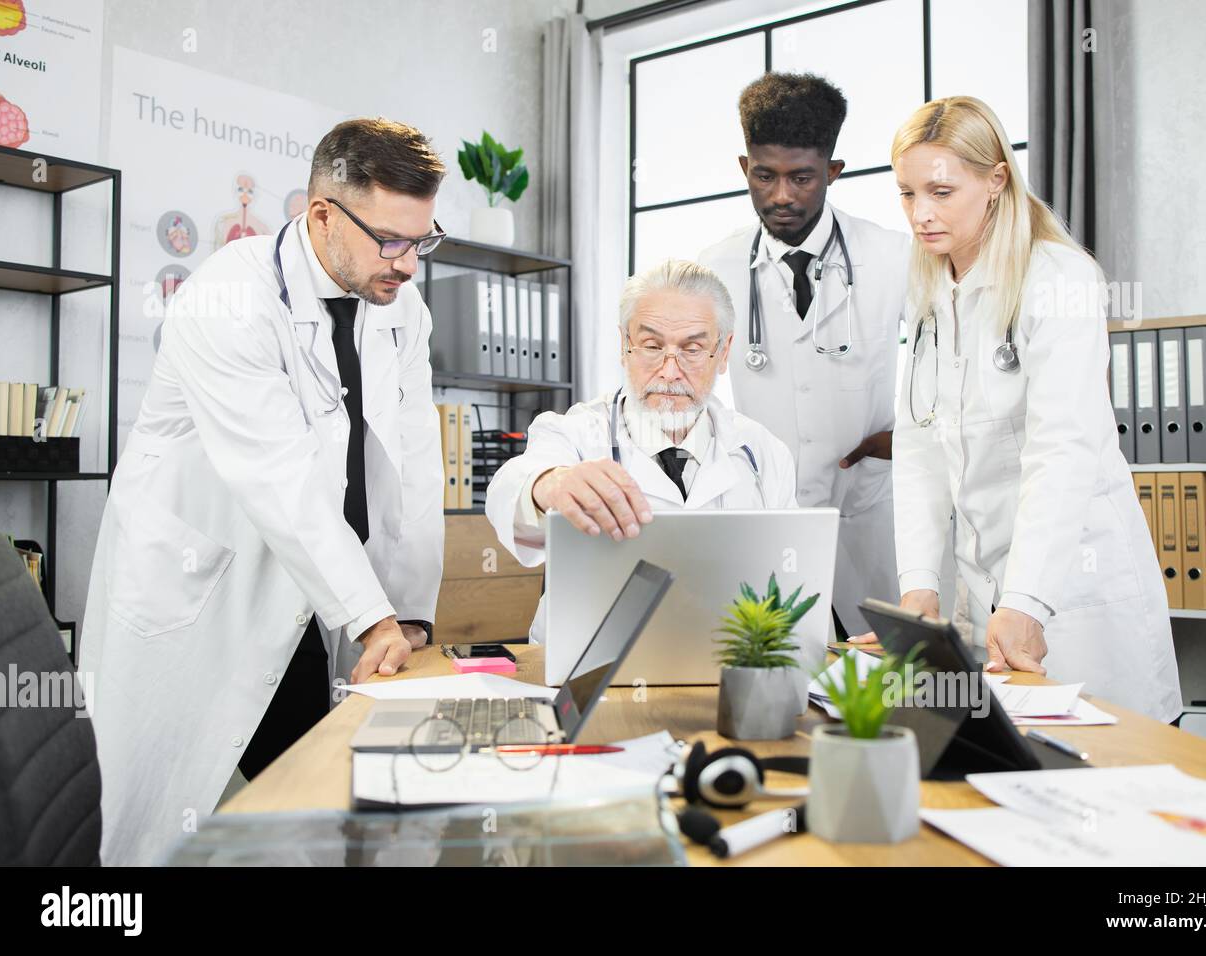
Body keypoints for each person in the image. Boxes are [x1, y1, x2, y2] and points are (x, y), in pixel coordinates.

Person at [80, 118, 449, 864]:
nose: (408, 265)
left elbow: (411, 464)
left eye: (422, 241)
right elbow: (280, 482)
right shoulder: (228, 299)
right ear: (320, 215)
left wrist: (405, 611)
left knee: (319, 794)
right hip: (197, 585)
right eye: (390, 240)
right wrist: (371, 617)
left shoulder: (401, 309)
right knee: (144, 816)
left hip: (315, 587)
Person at [869, 94, 1181, 721]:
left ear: (995, 179)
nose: (920, 215)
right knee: (1002, 777)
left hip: (1073, 590)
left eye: (940, 191)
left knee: (1104, 774)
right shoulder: (930, 288)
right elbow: (921, 451)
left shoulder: (1059, 279)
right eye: (906, 194)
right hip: (982, 591)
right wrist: (919, 588)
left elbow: (1063, 449)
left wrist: (1030, 600)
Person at [485, 259, 797, 640]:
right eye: (651, 346)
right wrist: (549, 484)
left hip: (727, 668)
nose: (669, 371)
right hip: (587, 671)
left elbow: (791, 577)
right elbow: (509, 490)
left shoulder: (762, 452)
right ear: (624, 346)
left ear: (724, 351)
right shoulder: (576, 432)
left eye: (693, 349)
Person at [699, 72, 909, 636]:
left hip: (867, 511)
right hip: (767, 515)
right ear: (745, 168)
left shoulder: (893, 256)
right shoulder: (712, 270)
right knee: (781, 683)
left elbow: (957, 360)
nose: (782, 195)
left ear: (832, 173)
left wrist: (916, 436)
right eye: (764, 175)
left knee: (892, 686)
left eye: (802, 178)